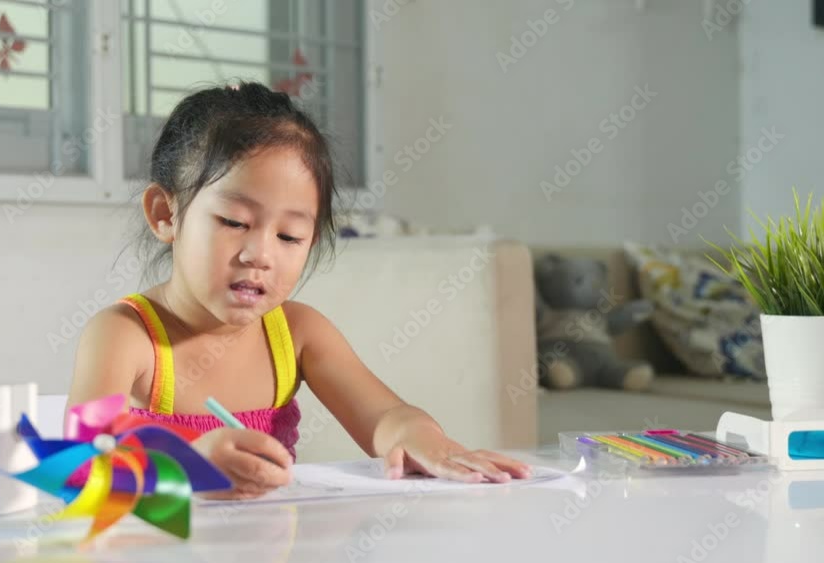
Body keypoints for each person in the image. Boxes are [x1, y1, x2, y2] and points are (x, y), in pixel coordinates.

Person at [67, 82, 531, 499]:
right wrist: (191, 465)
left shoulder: (297, 332)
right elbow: (80, 461)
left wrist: (421, 438)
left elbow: (387, 415)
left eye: (289, 236)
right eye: (234, 222)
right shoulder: (127, 334)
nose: (260, 254)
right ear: (165, 214)